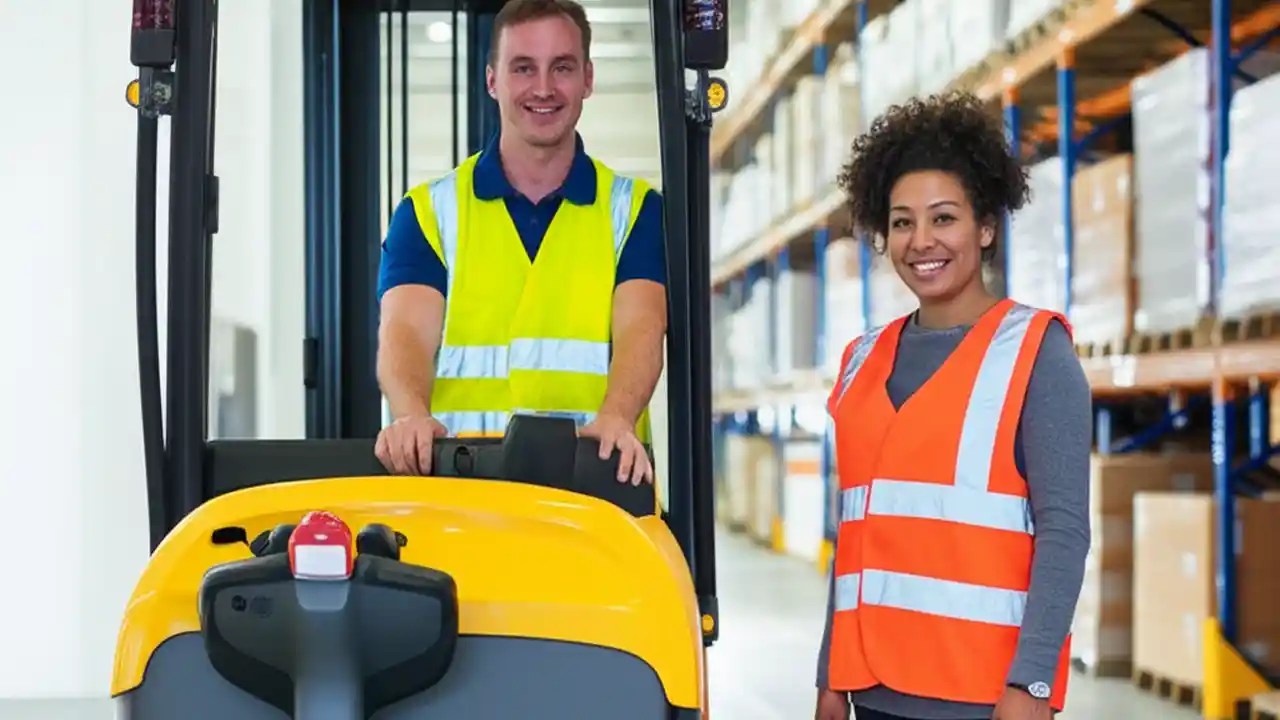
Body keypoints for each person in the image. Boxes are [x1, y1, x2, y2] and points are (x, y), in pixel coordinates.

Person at [814, 92, 1091, 720]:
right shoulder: (862, 361)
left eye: (944, 218)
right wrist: (830, 673)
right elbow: (853, 539)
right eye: (903, 221)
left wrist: (1033, 685)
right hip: (873, 690)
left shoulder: (1036, 354)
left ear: (986, 226)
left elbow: (1065, 535)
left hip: (983, 697)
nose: (921, 241)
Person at [373, 0, 666, 485]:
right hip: (461, 497)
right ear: (493, 80)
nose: (544, 88)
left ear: (588, 79)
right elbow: (404, 332)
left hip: (590, 499)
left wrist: (618, 415)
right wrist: (409, 414)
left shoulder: (633, 211)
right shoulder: (429, 212)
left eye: (563, 68)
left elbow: (642, 328)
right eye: (524, 68)